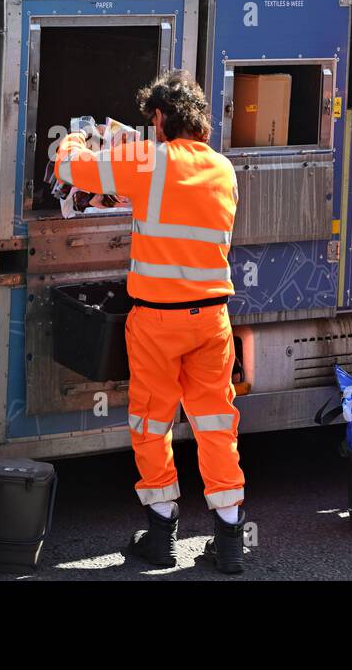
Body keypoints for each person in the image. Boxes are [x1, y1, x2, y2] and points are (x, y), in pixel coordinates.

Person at [53, 70, 246, 572]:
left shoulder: (146, 160)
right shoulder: (224, 169)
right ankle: (228, 538)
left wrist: (78, 133)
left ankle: (161, 531)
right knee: (216, 423)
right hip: (212, 321)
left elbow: (74, 168)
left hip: (158, 323)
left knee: (151, 421)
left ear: (159, 119)